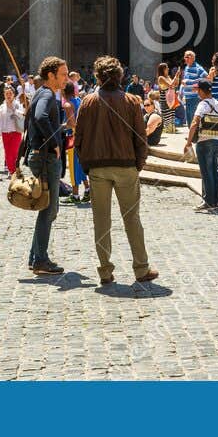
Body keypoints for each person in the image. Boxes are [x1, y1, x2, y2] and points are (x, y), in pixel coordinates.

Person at [72, 54, 159, 286]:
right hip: (126, 166)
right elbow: (141, 137)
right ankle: (141, 268)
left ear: (97, 77)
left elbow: (78, 139)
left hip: (98, 168)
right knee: (132, 219)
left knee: (101, 220)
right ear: (120, 76)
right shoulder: (132, 101)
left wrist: (87, 164)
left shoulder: (88, 102)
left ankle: (105, 271)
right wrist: (138, 164)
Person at [24, 56, 67, 275]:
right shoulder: (48, 94)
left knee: (47, 208)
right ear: (51, 75)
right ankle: (40, 260)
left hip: (41, 155)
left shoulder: (42, 93)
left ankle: (35, 258)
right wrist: (54, 142)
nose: (66, 79)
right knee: (49, 209)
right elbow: (41, 117)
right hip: (46, 157)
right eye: (63, 74)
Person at [182, 79, 218, 211]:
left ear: (201, 91)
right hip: (216, 140)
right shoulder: (217, 103)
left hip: (204, 141)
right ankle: (216, 200)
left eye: (198, 90)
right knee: (214, 171)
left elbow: (194, 123)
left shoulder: (202, 105)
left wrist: (188, 142)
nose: (197, 92)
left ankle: (208, 201)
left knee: (206, 173)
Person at [0, 87, 25, 171]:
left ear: (14, 95)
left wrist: (13, 109)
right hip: (5, 133)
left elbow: (22, 115)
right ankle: (12, 171)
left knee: (14, 153)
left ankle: (14, 171)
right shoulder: (2, 106)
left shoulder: (17, 104)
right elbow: (0, 119)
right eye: (6, 94)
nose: (8, 95)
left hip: (16, 131)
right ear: (4, 95)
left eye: (10, 93)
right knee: (7, 154)